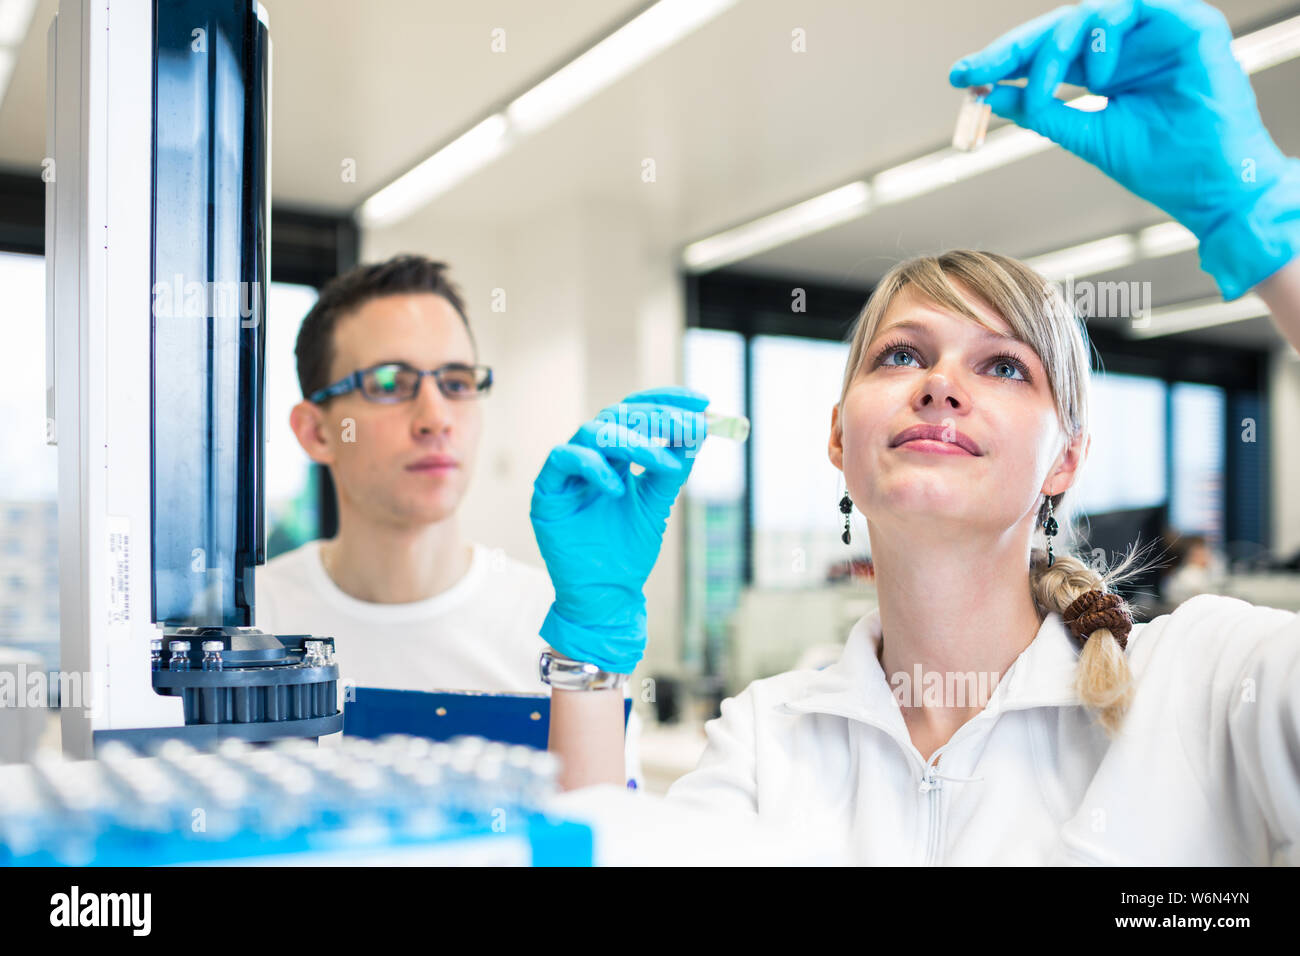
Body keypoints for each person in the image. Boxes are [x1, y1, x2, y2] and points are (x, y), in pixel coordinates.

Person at [530, 0, 1300, 863]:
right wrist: (590, 659)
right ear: (837, 439)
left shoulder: (1202, 684)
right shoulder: (769, 739)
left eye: (1004, 366)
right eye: (901, 356)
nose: (939, 383)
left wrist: (1265, 220)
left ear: (1065, 460)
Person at [255, 255, 641, 782]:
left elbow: (604, 843)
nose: (435, 418)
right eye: (389, 384)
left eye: (456, 383)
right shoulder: (251, 627)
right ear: (317, 432)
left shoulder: (563, 632)